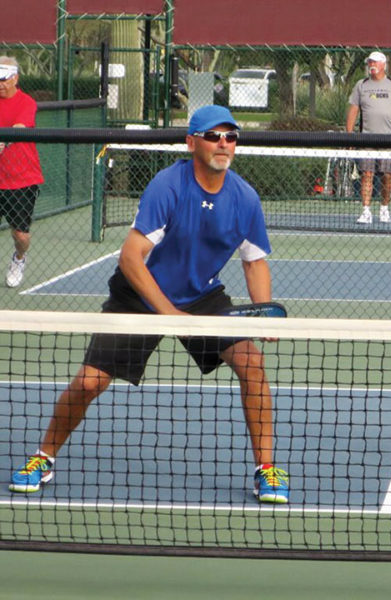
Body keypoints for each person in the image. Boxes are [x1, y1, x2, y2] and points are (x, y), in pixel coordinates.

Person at [8, 105, 289, 504]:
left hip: (202, 296)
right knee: (89, 382)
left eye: (231, 136)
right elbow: (130, 257)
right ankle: (43, 457)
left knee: (252, 363)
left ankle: (267, 468)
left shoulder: (244, 198)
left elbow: (254, 260)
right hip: (138, 295)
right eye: (213, 136)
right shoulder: (168, 186)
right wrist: (169, 314)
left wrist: (264, 311)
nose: (223, 143)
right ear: (192, 142)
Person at [346, 51, 391, 224]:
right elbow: (353, 110)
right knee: (367, 174)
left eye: (374, 62)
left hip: (389, 140)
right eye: (369, 63)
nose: (371, 65)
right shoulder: (361, 85)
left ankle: (384, 208)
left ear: (383, 64)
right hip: (366, 139)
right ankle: (366, 211)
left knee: (387, 175)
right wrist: (349, 136)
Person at [0, 56, 44, 288]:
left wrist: (4, 141)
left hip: (21, 179)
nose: (0, 84)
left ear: (15, 78)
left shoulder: (27, 102)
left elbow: (19, 127)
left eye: (4, 79)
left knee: (21, 236)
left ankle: (18, 258)